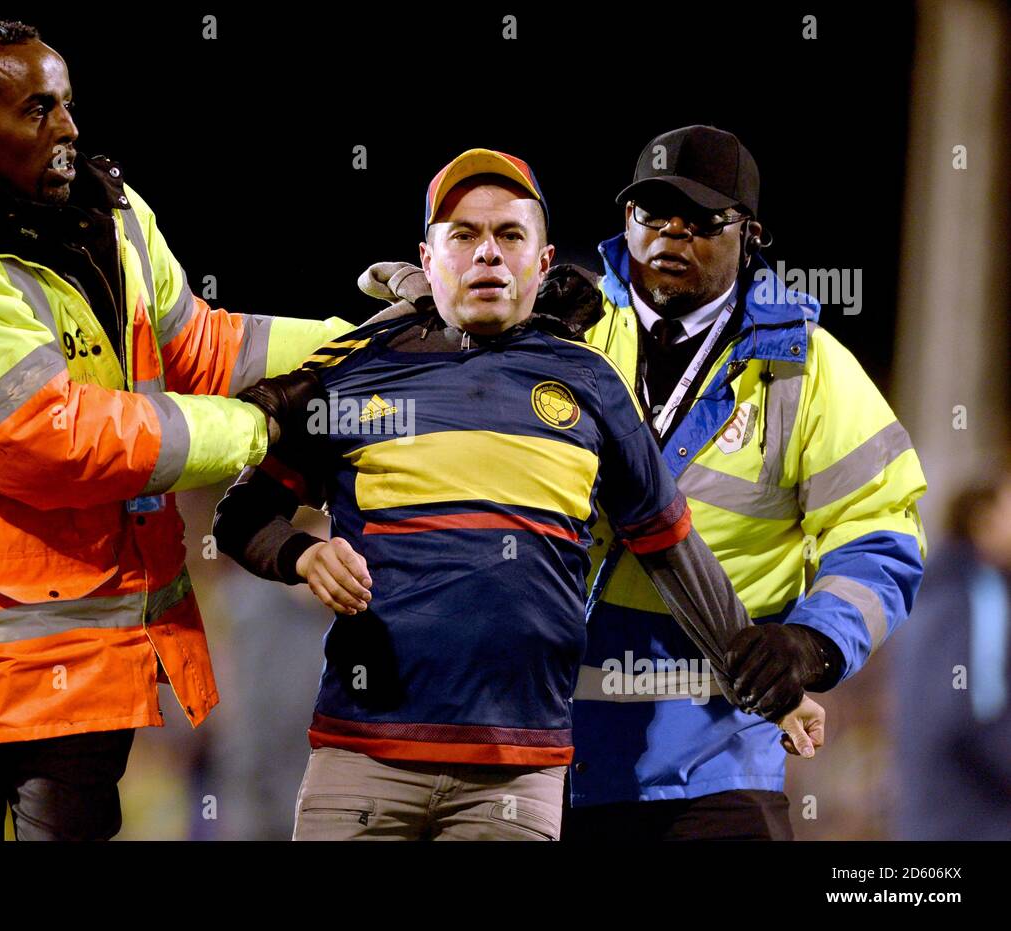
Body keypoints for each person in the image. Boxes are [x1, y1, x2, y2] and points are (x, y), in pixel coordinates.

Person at [0, 19, 348, 840]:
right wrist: (256, 424)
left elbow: (200, 346)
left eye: (67, 103)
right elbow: (62, 443)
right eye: (37, 109)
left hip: (79, 671)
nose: (68, 127)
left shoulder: (112, 216)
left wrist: (366, 346)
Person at [214, 149, 824, 841]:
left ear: (543, 261)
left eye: (510, 234)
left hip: (517, 777)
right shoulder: (355, 372)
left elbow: (672, 552)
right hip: (361, 763)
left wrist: (776, 692)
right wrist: (301, 553)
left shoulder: (591, 383)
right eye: (464, 234)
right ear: (428, 257)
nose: (488, 253)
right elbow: (242, 515)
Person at [356, 126, 926, 840]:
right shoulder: (562, 327)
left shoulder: (808, 370)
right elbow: (436, 353)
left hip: (715, 766)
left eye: (702, 220)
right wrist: (443, 306)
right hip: (532, 752)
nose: (671, 235)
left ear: (750, 235)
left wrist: (813, 641)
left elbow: (880, 533)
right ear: (626, 219)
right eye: (652, 214)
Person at [893, 466, 1011, 840]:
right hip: (974, 818)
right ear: (983, 520)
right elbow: (971, 711)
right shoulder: (978, 598)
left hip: (934, 815)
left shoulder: (935, 593)